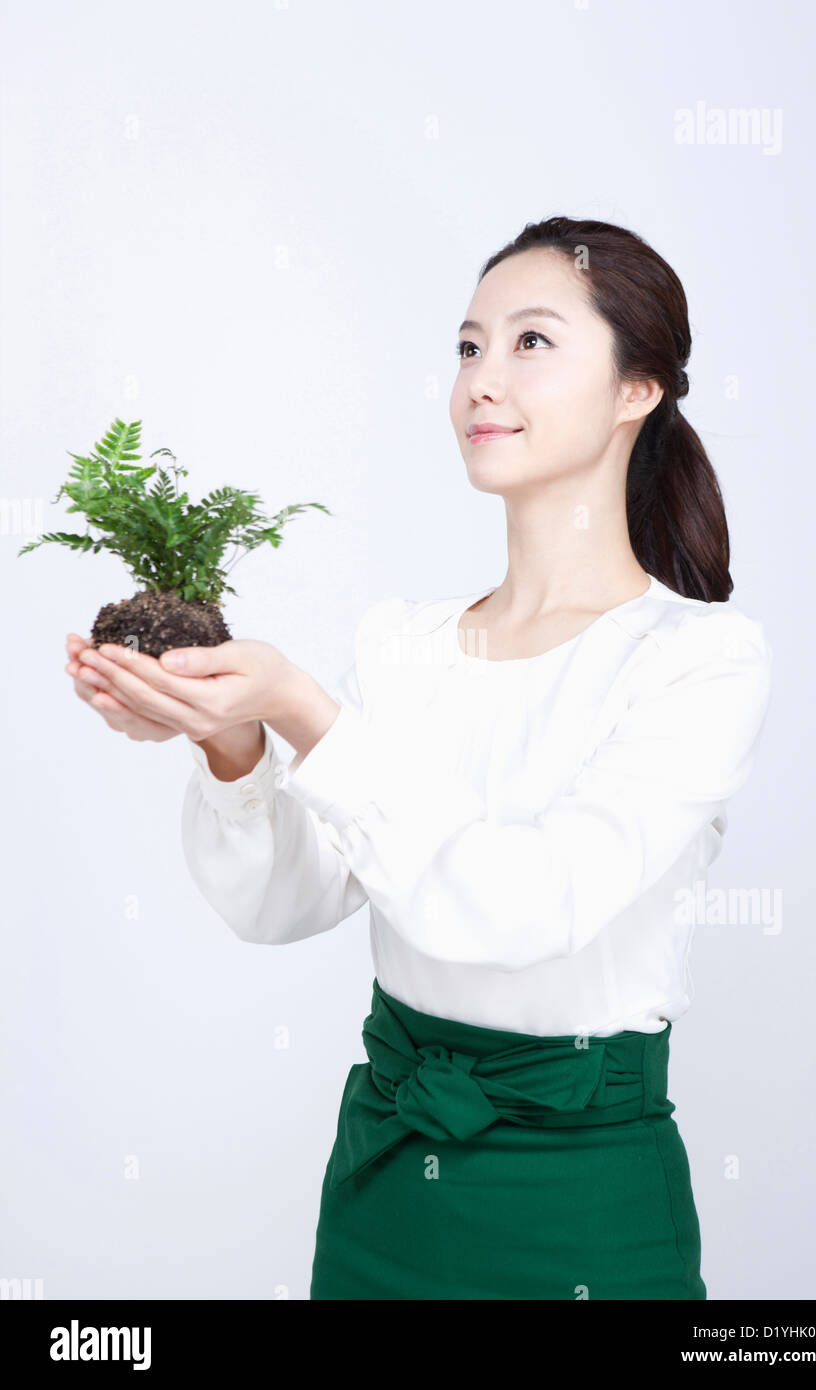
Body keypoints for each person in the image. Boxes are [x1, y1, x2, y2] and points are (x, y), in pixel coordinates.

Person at [65, 217, 773, 1300]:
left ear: (637, 389)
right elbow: (284, 902)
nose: (481, 381)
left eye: (530, 342)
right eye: (466, 347)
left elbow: (528, 908)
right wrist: (231, 738)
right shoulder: (404, 645)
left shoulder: (696, 660)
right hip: (386, 1180)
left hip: (580, 1202)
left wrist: (301, 708)